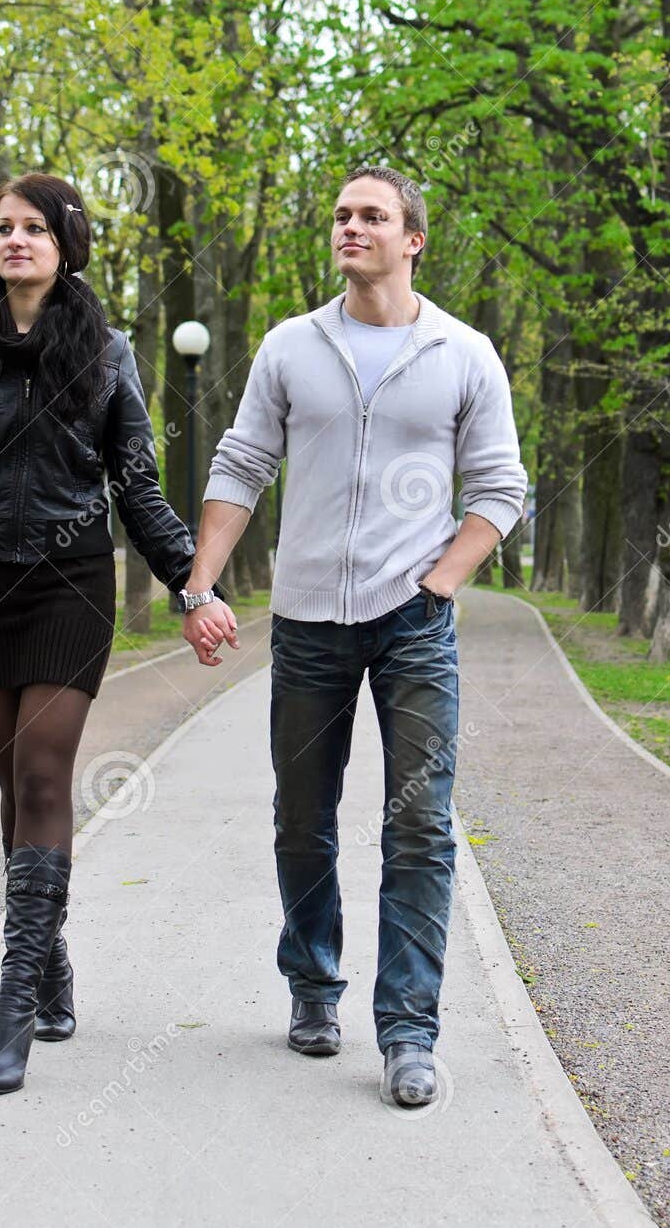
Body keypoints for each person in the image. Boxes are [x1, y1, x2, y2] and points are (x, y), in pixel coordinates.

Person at [178, 166, 527, 1108]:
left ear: (412, 239)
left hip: (413, 626)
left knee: (417, 824)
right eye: (340, 215)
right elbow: (242, 463)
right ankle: (312, 987)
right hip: (306, 626)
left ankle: (409, 1032)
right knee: (303, 816)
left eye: (371, 216)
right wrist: (200, 581)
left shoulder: (464, 353)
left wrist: (441, 579)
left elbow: (500, 488)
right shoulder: (293, 346)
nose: (350, 227)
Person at [0, 172, 217, 1096]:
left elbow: (137, 487)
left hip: (72, 584)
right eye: (3, 227)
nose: (15, 241)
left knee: (41, 776)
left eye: (34, 228)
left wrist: (194, 589)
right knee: (12, 785)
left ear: (66, 243)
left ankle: (9, 1006)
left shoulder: (106, 352)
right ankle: (51, 960)